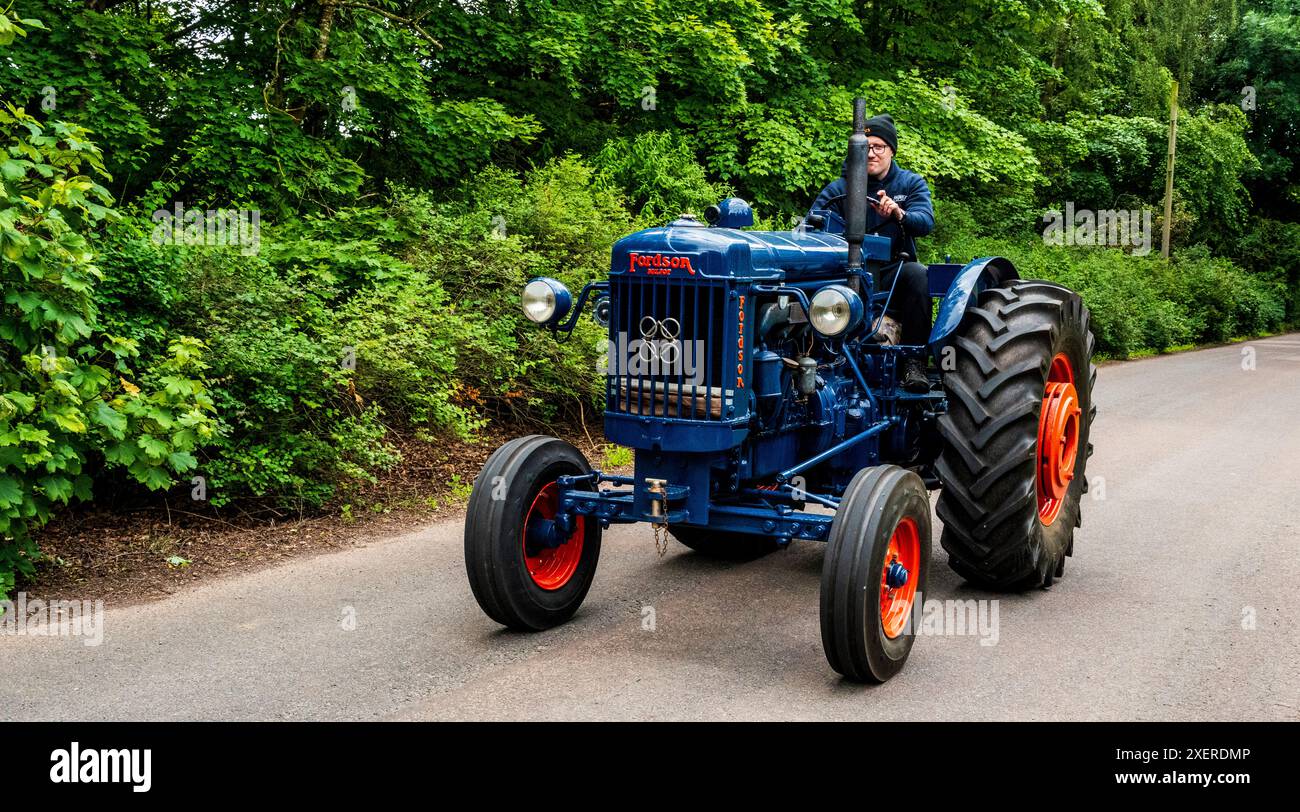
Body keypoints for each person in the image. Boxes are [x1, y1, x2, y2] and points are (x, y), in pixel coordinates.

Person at [807, 113, 934, 393]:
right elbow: (811, 225)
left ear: (891, 150)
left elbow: (925, 221)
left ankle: (914, 362)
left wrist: (901, 214)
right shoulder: (839, 189)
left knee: (918, 275)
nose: (872, 154)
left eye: (879, 147)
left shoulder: (910, 184)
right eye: (866, 147)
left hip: (892, 274)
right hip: (844, 274)